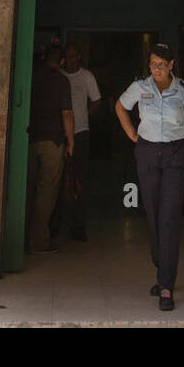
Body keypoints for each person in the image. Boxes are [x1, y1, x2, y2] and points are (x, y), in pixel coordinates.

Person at [115, 42, 184, 312]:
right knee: (152, 215)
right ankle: (161, 265)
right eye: (153, 64)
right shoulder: (140, 87)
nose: (157, 69)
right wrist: (131, 134)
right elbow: (120, 106)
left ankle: (166, 286)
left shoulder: (183, 89)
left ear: (171, 65)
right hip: (148, 153)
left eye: (162, 65)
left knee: (169, 218)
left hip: (176, 154)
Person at [26, 44, 75, 253]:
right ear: (62, 61)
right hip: (52, 142)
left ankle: (19, 238)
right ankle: (38, 241)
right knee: (46, 192)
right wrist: (71, 142)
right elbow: (66, 114)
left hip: (28, 139)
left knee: (27, 190)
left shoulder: (31, 76)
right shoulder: (62, 80)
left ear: (44, 57)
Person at [59, 42, 101, 241]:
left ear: (80, 57)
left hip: (81, 133)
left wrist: (84, 116)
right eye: (68, 56)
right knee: (58, 180)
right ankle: (56, 225)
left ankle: (79, 225)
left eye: (74, 56)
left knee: (80, 180)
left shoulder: (87, 77)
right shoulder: (59, 76)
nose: (71, 60)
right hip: (59, 134)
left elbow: (96, 100)